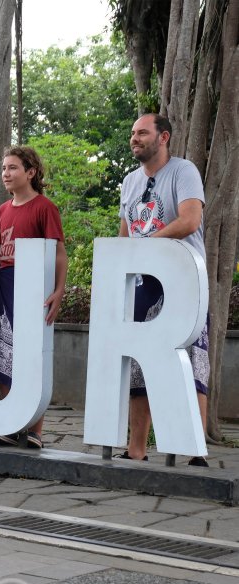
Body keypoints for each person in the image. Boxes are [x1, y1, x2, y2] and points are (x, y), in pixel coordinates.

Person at [118, 112, 209, 466]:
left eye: (142, 132)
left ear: (163, 137)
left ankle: (195, 451)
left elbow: (190, 220)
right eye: (133, 133)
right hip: (142, 282)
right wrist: (120, 270)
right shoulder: (129, 182)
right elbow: (125, 235)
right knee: (137, 365)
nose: (134, 138)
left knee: (191, 361)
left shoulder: (183, 171)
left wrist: (147, 244)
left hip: (182, 279)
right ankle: (136, 449)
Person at [0, 145, 67, 449]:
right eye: (4, 168)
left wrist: (59, 290)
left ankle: (35, 430)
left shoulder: (45, 207)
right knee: (4, 350)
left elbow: (59, 252)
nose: (6, 173)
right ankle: (12, 421)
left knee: (31, 354)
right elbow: (1, 251)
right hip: (5, 283)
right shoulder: (3, 210)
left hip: (33, 285)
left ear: (30, 172)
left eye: (13, 167)